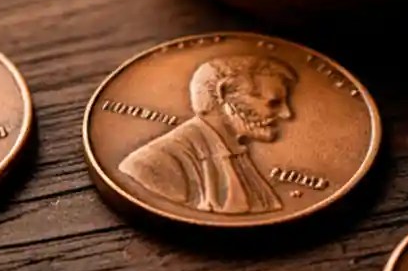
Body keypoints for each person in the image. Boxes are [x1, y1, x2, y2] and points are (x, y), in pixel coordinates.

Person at [119, 55, 297, 215]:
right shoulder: (151, 164)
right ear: (224, 96)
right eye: (273, 103)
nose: (286, 114)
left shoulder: (237, 155)